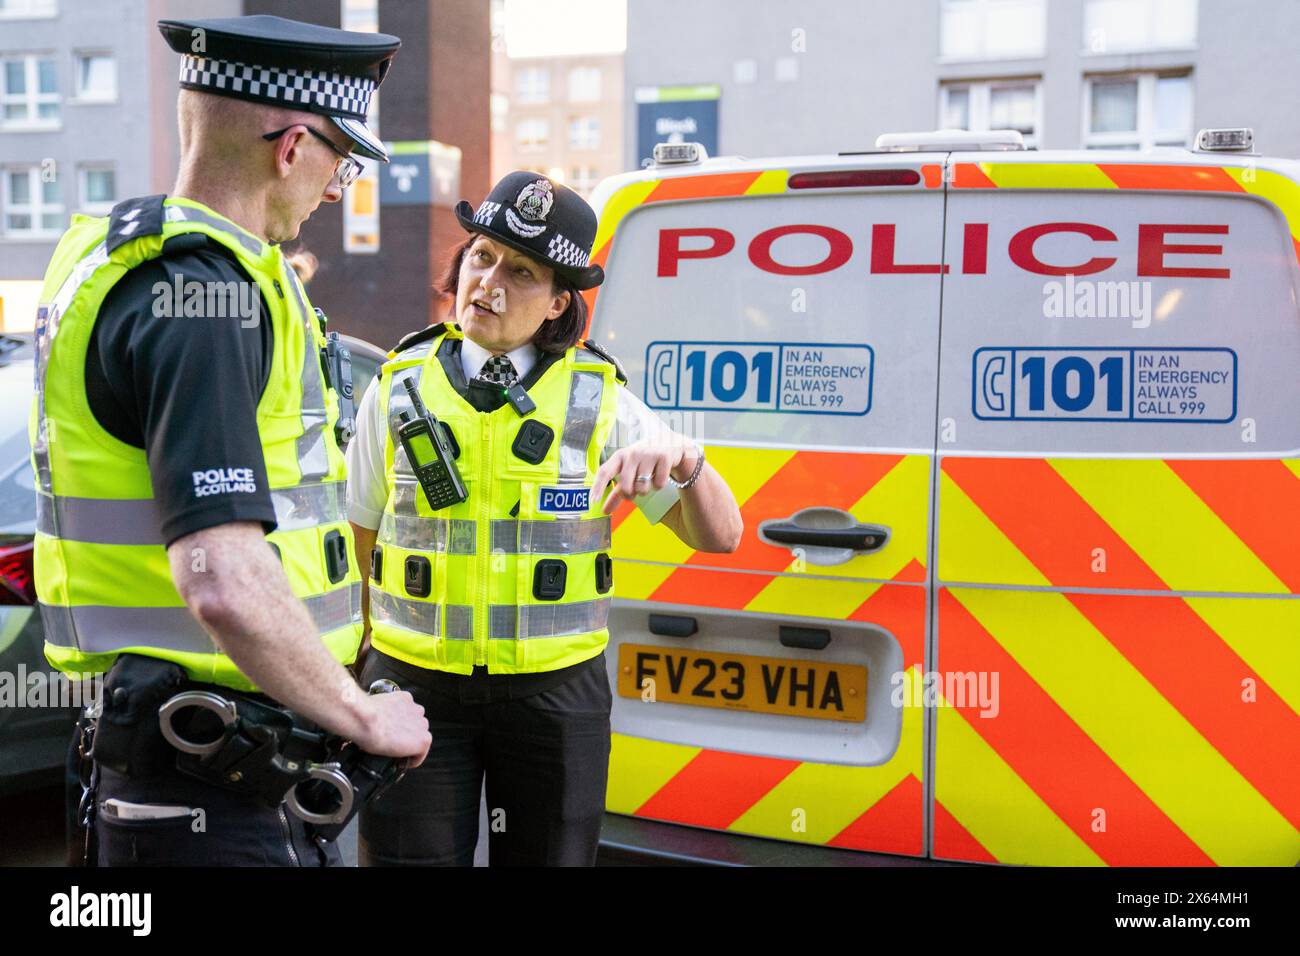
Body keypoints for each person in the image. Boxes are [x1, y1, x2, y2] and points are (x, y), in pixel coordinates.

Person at [31, 14, 430, 867]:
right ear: (291, 146)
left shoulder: (134, 261)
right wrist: (365, 715)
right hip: (208, 795)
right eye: (341, 162)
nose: (337, 189)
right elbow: (218, 579)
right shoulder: (205, 299)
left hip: (180, 769)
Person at [346, 171, 744, 866]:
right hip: (414, 685)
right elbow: (362, 538)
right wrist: (359, 676)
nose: (489, 282)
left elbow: (721, 535)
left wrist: (686, 458)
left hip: (555, 699)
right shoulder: (398, 384)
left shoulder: (600, 397)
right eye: (482, 256)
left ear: (559, 300)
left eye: (522, 271)